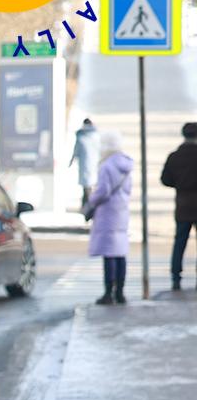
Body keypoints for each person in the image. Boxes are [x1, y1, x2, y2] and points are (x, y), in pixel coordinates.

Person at [86, 129, 134, 304]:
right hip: (122, 211)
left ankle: (108, 292)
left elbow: (103, 191)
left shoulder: (107, 166)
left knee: (109, 254)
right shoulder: (126, 165)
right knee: (120, 252)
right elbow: (128, 189)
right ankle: (120, 292)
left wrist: (91, 199)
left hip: (107, 213)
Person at [160, 121, 197, 289]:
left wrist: (180, 184)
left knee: (180, 241)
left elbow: (165, 179)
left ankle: (176, 276)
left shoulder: (175, 156)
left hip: (182, 204)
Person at [73, 117, 101, 212]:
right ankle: (87, 207)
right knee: (90, 186)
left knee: (86, 186)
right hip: (95, 163)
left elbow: (76, 150)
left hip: (84, 164)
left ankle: (87, 207)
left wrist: (72, 160)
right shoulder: (96, 135)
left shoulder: (81, 136)